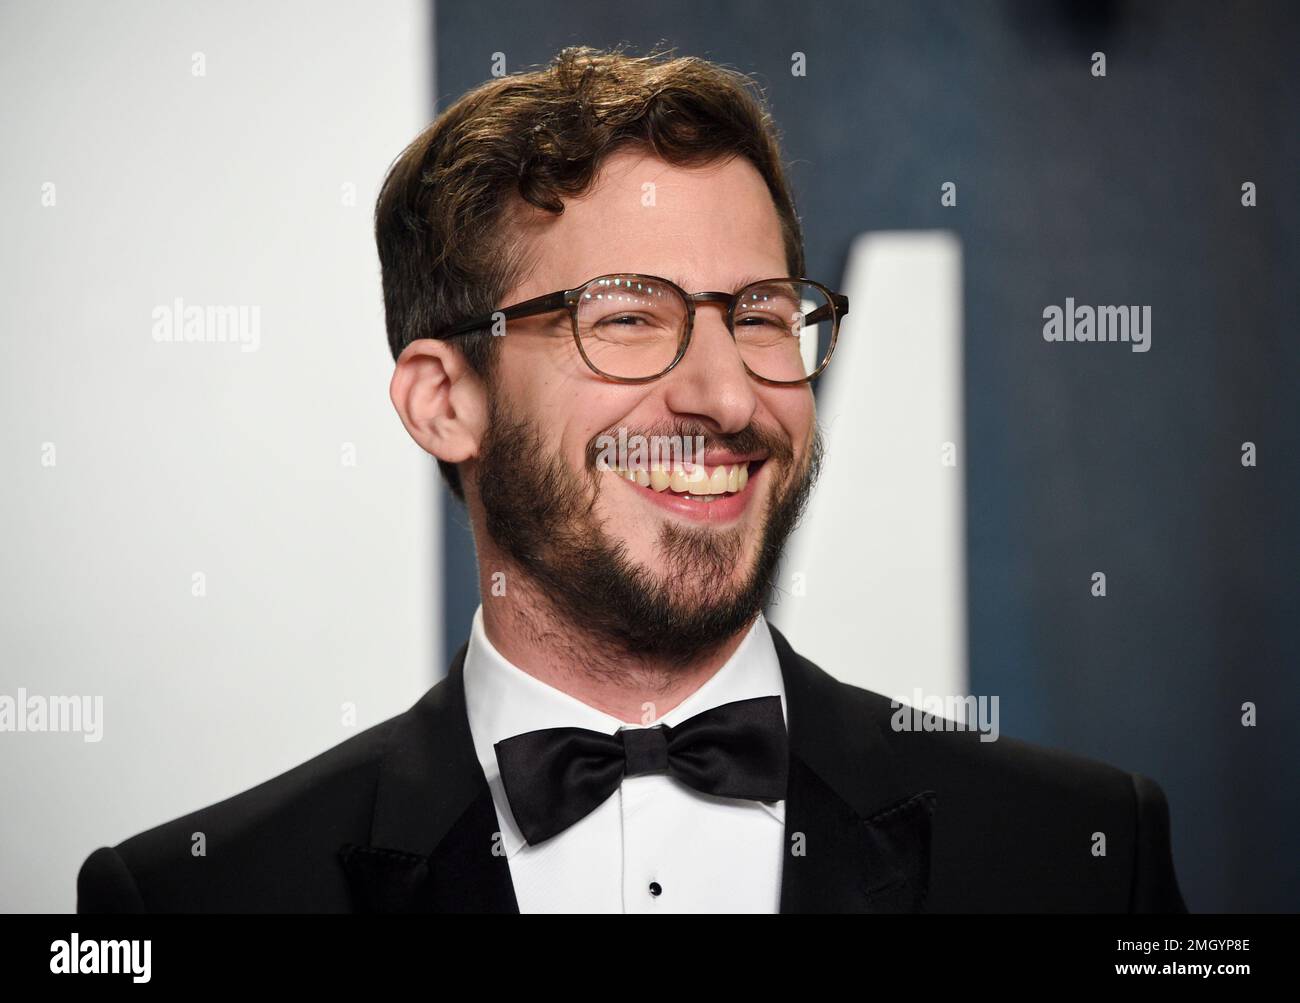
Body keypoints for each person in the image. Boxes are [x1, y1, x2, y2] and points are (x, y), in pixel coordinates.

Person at [77, 46, 1186, 914]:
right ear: (443, 401)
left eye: (758, 316)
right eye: (625, 318)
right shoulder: (201, 896)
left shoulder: (1078, 855)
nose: (729, 396)